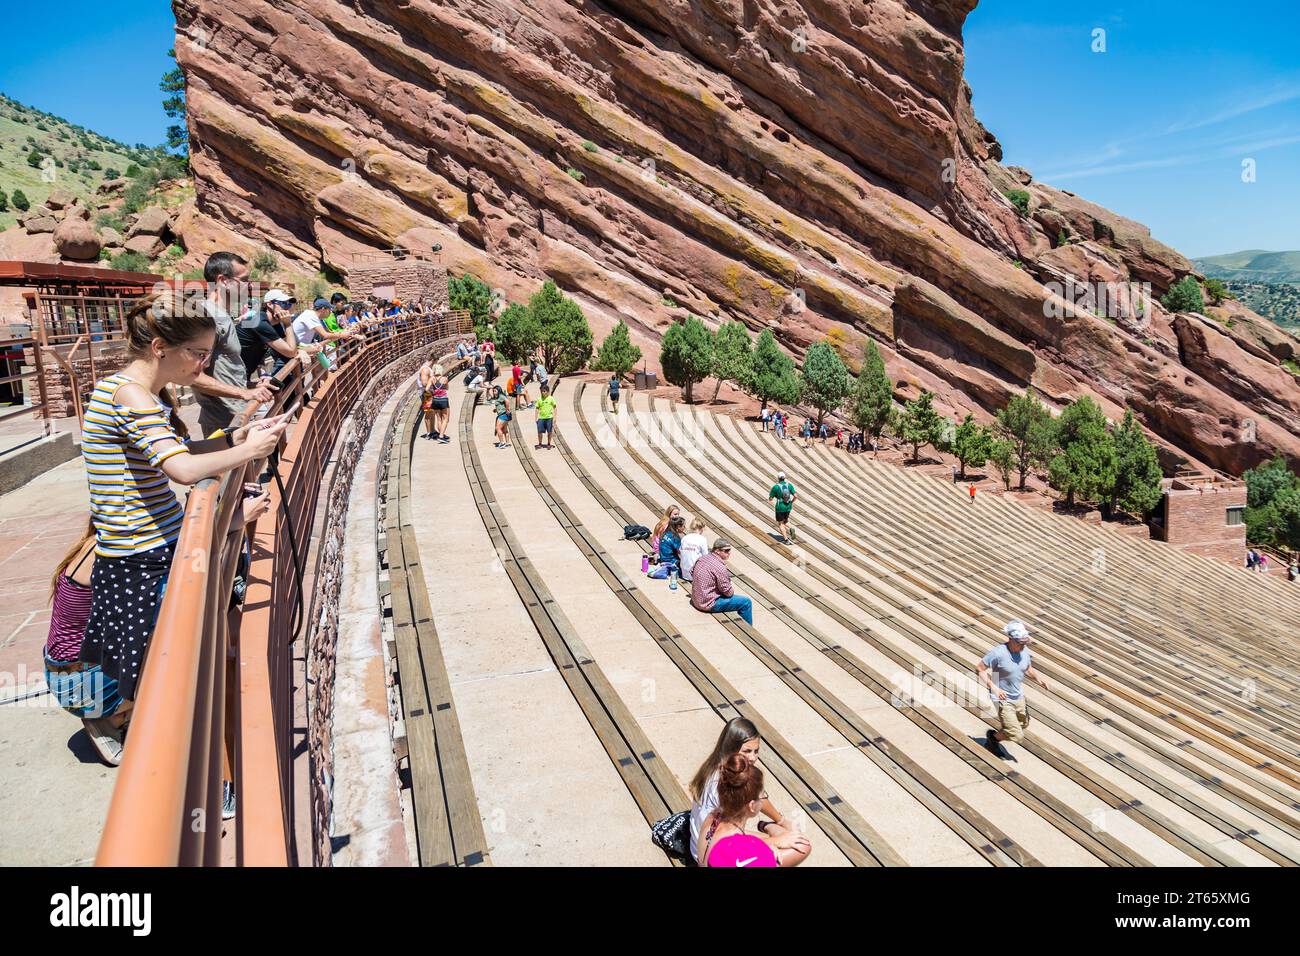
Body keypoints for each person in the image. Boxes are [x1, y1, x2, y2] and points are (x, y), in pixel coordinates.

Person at [77, 291, 287, 762]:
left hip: (151, 547)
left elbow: (183, 451)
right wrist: (251, 453)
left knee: (163, 660)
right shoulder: (133, 398)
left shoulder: (129, 391)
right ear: (159, 348)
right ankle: (141, 737)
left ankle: (140, 727)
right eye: (197, 354)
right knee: (162, 664)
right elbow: (183, 471)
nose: (202, 365)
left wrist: (236, 437)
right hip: (141, 556)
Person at [689, 718, 810, 866]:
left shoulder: (725, 776)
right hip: (720, 851)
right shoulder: (718, 784)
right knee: (802, 845)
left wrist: (780, 821)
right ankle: (768, 828)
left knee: (788, 836)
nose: (753, 757)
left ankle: (767, 826)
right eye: (747, 751)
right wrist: (770, 844)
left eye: (756, 751)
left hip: (713, 841)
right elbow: (729, 844)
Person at [191, 252, 274, 437]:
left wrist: (250, 386)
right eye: (244, 280)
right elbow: (192, 375)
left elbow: (222, 369)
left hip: (235, 416)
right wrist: (243, 393)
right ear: (223, 281)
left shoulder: (222, 316)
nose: (250, 285)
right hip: (223, 423)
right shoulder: (209, 317)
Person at [976, 619, 1049, 757]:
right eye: (1020, 643)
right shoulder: (998, 653)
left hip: (1018, 696)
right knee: (1016, 734)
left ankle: (1001, 733)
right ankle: (993, 739)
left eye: (1025, 642)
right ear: (1010, 639)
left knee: (1023, 724)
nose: (1023, 646)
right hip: (1002, 697)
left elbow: (1027, 668)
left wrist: (1038, 679)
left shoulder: (1024, 650)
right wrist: (994, 688)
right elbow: (980, 669)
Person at [237, 289, 302, 380]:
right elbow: (291, 352)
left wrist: (301, 351)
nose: (287, 308)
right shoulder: (258, 321)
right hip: (231, 374)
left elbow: (288, 348)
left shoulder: (275, 324)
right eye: (283, 304)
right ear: (270, 304)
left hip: (242, 373)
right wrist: (288, 324)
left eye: (289, 304)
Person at [690, 539, 753, 625]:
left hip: (696, 599)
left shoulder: (702, 558)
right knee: (746, 602)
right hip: (708, 604)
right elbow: (728, 592)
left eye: (729, 550)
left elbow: (691, 572)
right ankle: (748, 630)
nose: (729, 553)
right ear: (717, 551)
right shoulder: (720, 567)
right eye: (726, 550)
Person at [768, 471, 797, 544]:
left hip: (780, 507)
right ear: (784, 478)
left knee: (780, 523)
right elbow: (796, 496)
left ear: (778, 478)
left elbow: (770, 498)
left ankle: (786, 540)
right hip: (788, 507)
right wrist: (791, 502)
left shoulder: (776, 487)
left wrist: (771, 499)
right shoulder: (789, 485)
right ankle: (791, 528)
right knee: (786, 520)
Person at [680, 517, 709, 583]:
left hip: (684, 572)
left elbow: (681, 552)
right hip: (695, 574)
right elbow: (706, 557)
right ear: (702, 529)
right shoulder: (702, 539)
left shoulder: (684, 538)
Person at [534, 384, 557, 450]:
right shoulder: (539, 399)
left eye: (544, 391)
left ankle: (549, 443)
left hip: (549, 417)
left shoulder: (551, 398)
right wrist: (536, 418)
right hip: (541, 418)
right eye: (542, 391)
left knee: (549, 431)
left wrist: (554, 418)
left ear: (548, 391)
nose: (543, 393)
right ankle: (540, 443)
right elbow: (537, 408)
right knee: (539, 432)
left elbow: (555, 408)